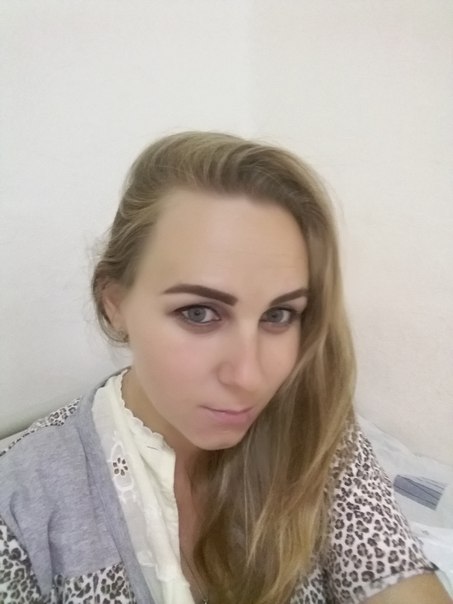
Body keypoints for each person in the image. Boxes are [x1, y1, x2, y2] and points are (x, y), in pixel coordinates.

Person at [0, 131, 450, 604]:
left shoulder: (316, 433)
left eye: (279, 315)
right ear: (114, 303)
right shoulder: (20, 509)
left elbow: (392, 573)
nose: (250, 378)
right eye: (198, 313)